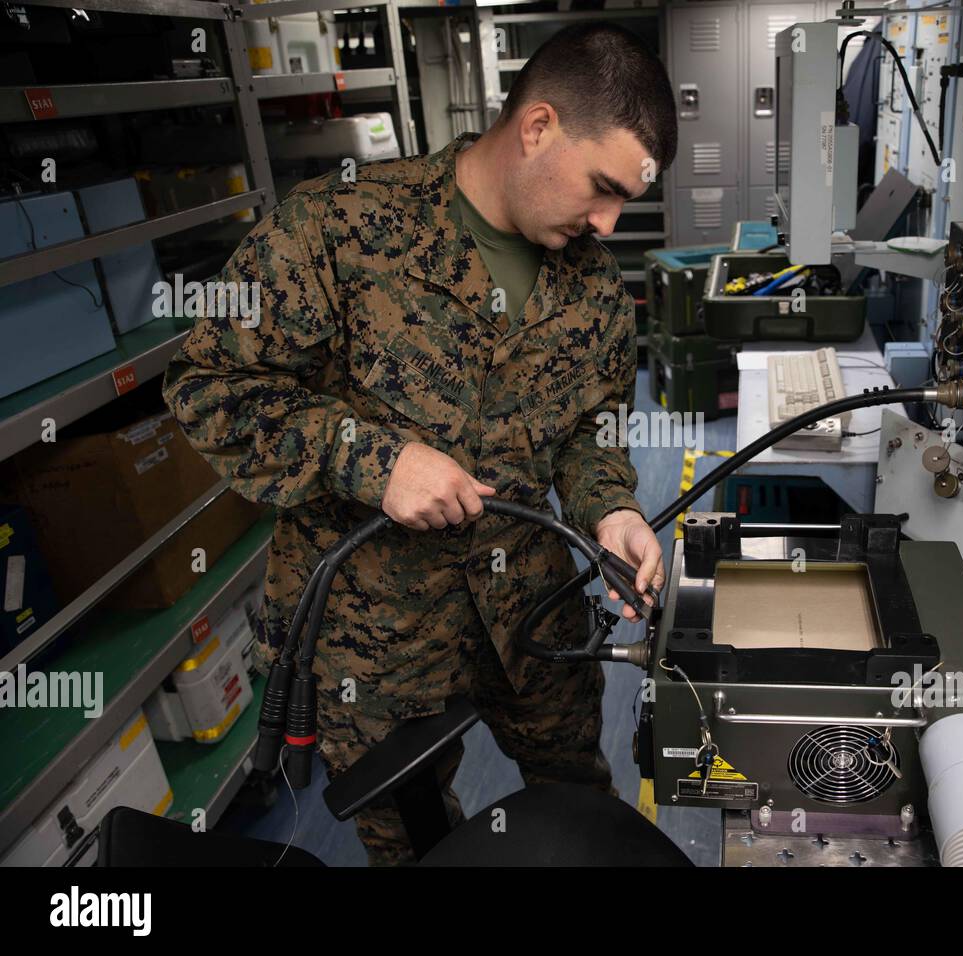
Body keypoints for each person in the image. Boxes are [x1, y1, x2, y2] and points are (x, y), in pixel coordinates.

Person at [163, 21, 677, 865]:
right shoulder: (337, 229)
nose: (610, 223)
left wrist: (611, 507)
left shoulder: (593, 286)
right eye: (601, 187)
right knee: (412, 842)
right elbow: (208, 386)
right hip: (376, 633)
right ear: (538, 127)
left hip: (530, 615)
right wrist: (372, 459)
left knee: (577, 805)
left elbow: (593, 429)